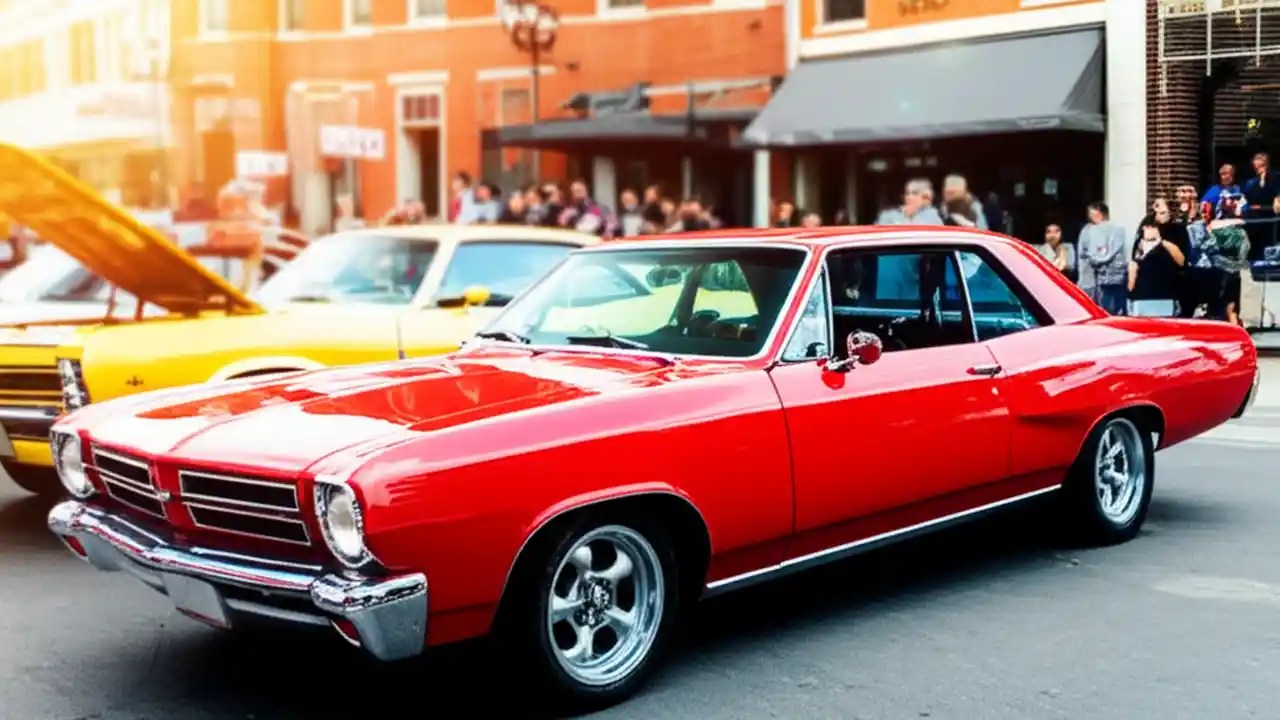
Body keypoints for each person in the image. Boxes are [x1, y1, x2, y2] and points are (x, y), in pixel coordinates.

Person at [1128, 214, 1186, 316]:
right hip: (1142, 296)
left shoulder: (1167, 244)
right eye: (1147, 227)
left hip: (1165, 295)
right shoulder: (1139, 245)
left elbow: (1181, 261)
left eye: (1153, 227)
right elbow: (1134, 265)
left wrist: (1160, 241)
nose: (1149, 230)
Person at [1077, 201, 1128, 315]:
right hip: (1094, 282)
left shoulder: (1113, 230)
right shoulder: (1088, 230)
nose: (1089, 216)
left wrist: (1095, 259)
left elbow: (1101, 255)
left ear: (1099, 213)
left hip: (1108, 282)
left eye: (1091, 213)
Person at [875, 179, 944, 225]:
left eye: (915, 193)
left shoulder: (933, 216)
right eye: (907, 193)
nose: (909, 197)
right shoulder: (887, 215)